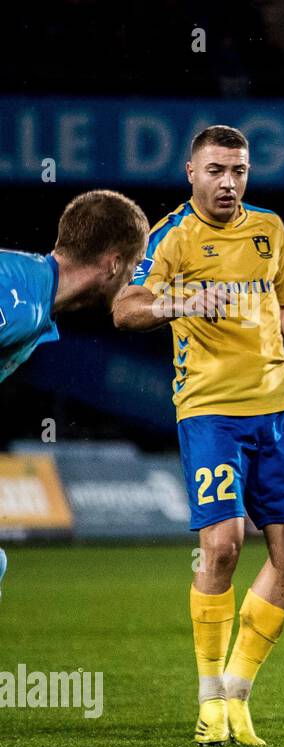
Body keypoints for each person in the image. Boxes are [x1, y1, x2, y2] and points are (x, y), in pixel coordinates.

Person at [113, 125, 284, 746]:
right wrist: (182, 301)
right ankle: (208, 701)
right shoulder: (170, 237)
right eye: (217, 170)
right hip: (210, 412)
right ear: (191, 173)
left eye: (239, 171)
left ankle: (237, 692)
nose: (229, 182)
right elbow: (124, 307)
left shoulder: (269, 229)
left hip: (279, 410)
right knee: (222, 547)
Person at [0, 189, 150, 608]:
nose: (134, 280)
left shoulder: (30, 290)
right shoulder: (21, 304)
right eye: (135, 265)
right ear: (114, 263)